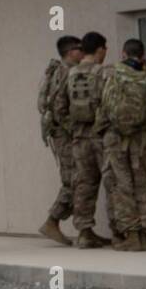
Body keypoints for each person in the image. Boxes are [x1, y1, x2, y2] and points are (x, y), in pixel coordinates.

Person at [98, 39, 146, 252]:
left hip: (114, 136)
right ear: (142, 54)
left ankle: (132, 236)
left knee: (121, 184)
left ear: (123, 53)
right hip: (140, 137)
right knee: (143, 183)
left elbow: (98, 102)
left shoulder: (109, 72)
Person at [56, 31, 113, 249]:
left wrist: (75, 129)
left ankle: (84, 232)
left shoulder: (69, 74)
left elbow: (59, 107)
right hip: (100, 136)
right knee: (112, 182)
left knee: (84, 185)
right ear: (100, 49)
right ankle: (120, 231)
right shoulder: (104, 72)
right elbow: (112, 104)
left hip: (79, 138)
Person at [38, 34, 83, 246]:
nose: (82, 53)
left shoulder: (61, 71)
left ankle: (84, 228)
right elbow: (58, 108)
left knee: (79, 178)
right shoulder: (64, 72)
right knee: (73, 180)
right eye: (79, 49)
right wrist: (73, 130)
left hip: (62, 133)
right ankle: (52, 221)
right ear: (70, 51)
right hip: (64, 135)